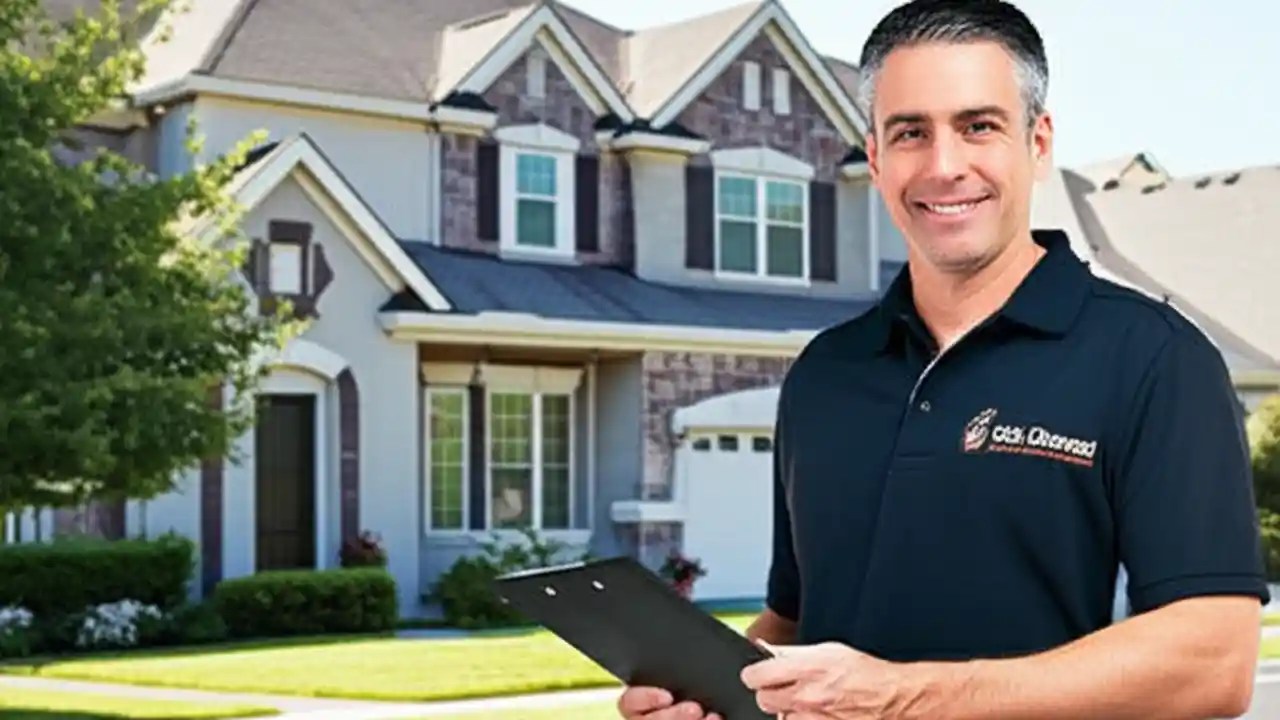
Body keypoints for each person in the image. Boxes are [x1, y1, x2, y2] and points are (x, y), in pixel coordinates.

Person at [617, 0, 1270, 718]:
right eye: (910, 133)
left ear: (1038, 143)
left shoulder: (1156, 360)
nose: (944, 166)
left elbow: (1214, 661)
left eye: (978, 126)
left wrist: (905, 697)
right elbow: (794, 622)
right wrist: (712, 694)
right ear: (874, 158)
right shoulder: (824, 375)